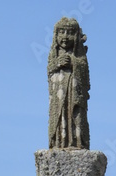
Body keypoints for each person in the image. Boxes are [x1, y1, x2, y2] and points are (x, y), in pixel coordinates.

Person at [47, 18, 90, 150]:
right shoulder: (54, 55)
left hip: (74, 96)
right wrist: (57, 63)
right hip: (58, 98)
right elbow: (49, 71)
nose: (65, 36)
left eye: (70, 33)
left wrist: (73, 63)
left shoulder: (80, 57)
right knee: (58, 117)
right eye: (62, 32)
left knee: (76, 116)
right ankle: (58, 142)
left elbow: (84, 76)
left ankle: (77, 143)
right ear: (56, 35)